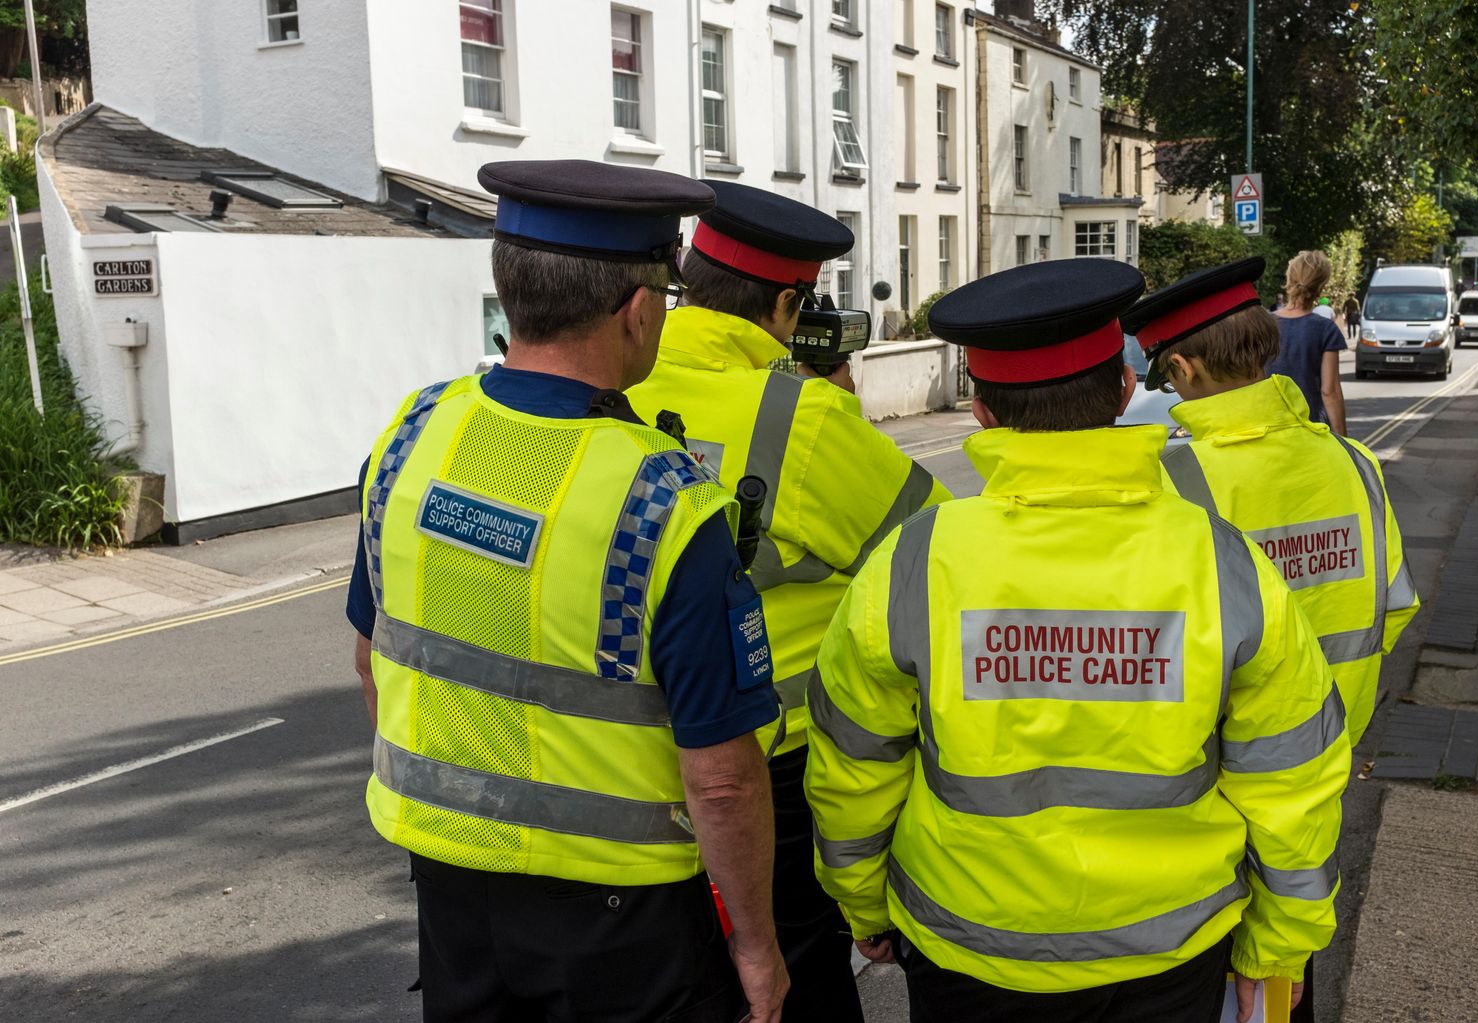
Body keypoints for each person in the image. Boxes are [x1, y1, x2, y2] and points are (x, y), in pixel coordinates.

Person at [805, 258, 1351, 1023]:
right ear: (1125, 389)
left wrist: (862, 903)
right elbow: (1292, 777)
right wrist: (1278, 944)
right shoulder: (1222, 561)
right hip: (1171, 950)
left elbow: (852, 769)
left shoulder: (912, 562)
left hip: (971, 948)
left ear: (981, 412)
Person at [346, 160, 788, 1023]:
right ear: (638, 307)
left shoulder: (412, 435)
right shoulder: (664, 500)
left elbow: (372, 662)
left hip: (451, 896)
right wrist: (756, 946)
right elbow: (724, 781)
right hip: (619, 933)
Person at [626, 180, 951, 1021]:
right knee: (794, 976)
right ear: (787, 301)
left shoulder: (609, 370)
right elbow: (937, 558)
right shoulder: (803, 415)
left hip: (618, 759)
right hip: (770, 770)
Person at [1127, 257, 1421, 1023]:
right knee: (1287, 982)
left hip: (1210, 802)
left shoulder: (1167, 486)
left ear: (1183, 366)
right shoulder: (1354, 467)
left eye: (1166, 374)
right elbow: (1390, 609)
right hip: (1318, 780)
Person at [1270, 250, 1348, 433]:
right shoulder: (1325, 329)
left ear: (1289, 278)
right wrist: (1345, 444)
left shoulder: (1263, 324)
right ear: (1320, 287)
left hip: (1268, 429)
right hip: (1310, 429)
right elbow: (1330, 392)